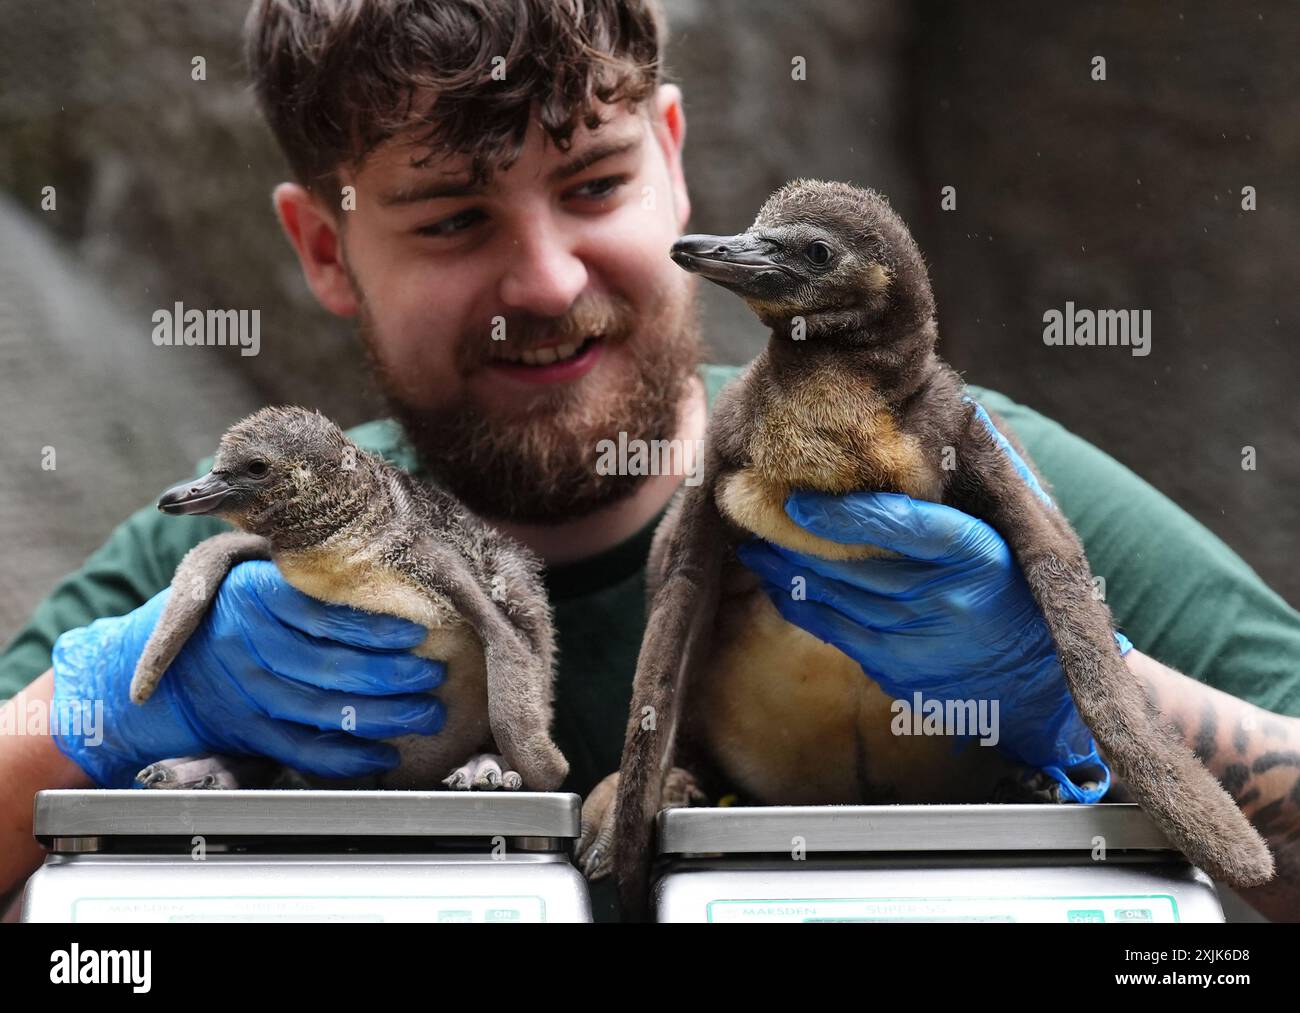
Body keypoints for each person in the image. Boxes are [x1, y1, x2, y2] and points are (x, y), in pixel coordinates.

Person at [1, 0, 1297, 921]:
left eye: (594, 182)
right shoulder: (238, 544)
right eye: (454, 218)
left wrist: (1087, 696)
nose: (550, 278)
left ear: (674, 159)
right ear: (326, 250)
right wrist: (110, 707)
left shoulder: (954, 479)